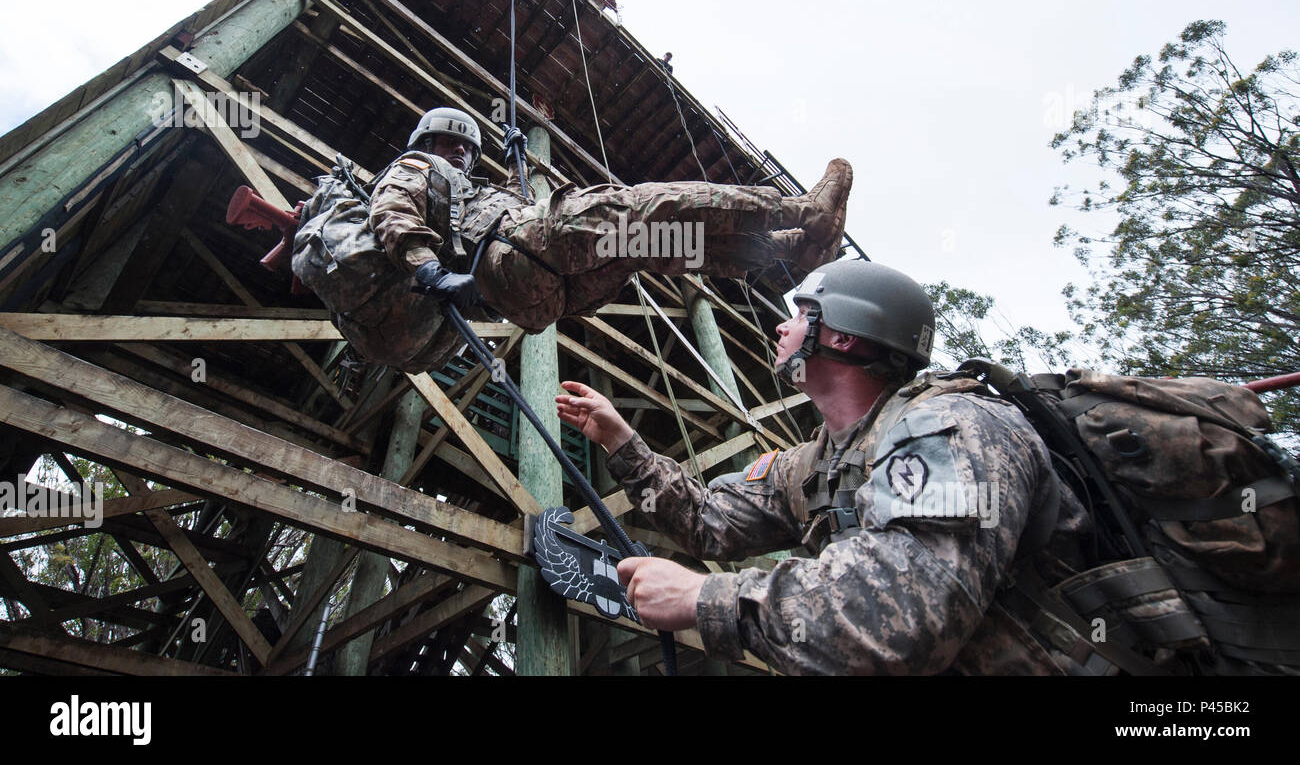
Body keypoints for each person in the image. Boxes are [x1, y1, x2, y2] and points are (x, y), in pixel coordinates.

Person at [555, 258, 1111, 675]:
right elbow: (706, 521)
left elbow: (900, 613)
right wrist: (621, 440)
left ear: (842, 333)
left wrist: (703, 598)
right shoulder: (812, 466)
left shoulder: (955, 424)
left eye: (799, 314)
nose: (780, 327)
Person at [297, 107, 850, 373]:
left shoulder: (470, 185)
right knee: (632, 206)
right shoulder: (414, 166)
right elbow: (393, 210)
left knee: (650, 242)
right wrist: (427, 269)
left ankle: (786, 249)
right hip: (509, 258)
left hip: (541, 296)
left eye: (468, 149)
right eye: (454, 144)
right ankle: (802, 210)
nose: (464, 154)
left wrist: (512, 176)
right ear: (429, 141)